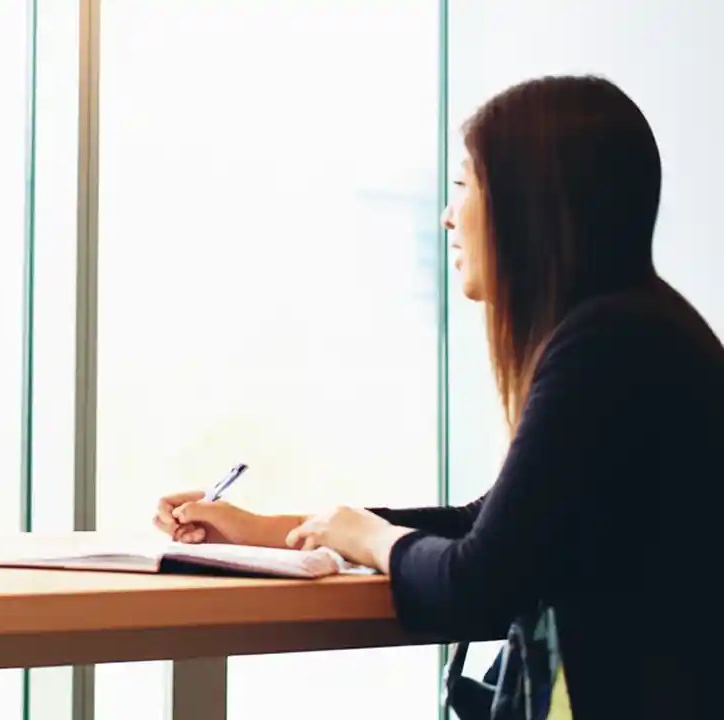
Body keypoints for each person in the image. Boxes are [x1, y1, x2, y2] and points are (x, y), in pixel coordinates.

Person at [154, 76, 721, 718]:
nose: (449, 216)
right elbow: (489, 525)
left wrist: (372, 538)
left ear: (529, 204)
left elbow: (475, 584)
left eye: (462, 188)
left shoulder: (610, 342)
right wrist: (269, 533)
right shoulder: (635, 328)